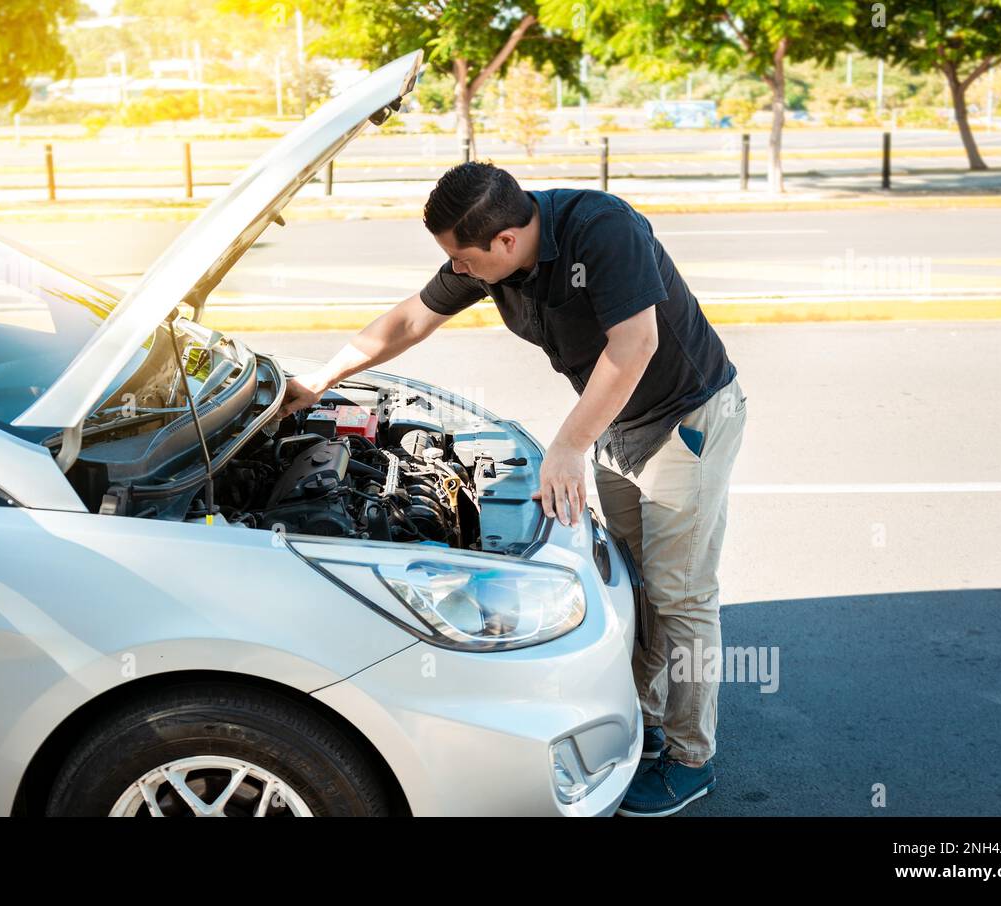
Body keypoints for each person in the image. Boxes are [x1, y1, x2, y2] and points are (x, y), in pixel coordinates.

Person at [280, 162, 746, 817]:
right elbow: (411, 319)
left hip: (684, 421)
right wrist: (321, 378)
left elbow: (636, 343)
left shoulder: (601, 229)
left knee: (681, 594)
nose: (457, 270)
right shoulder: (490, 256)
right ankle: (646, 722)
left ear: (505, 240)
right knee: (639, 583)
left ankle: (692, 759)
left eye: (463, 259)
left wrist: (570, 445)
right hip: (614, 420)